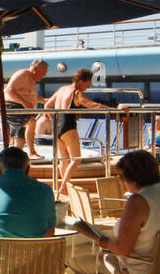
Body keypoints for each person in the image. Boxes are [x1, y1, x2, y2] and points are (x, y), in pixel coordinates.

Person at [42, 68, 113, 197]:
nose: (89, 87)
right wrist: (112, 109)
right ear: (81, 81)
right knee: (76, 159)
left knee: (64, 160)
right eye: (88, 83)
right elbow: (92, 105)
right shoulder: (77, 93)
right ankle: (63, 186)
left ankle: (64, 187)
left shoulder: (61, 89)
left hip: (57, 127)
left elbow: (47, 106)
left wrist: (53, 120)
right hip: (68, 127)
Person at [0, 58, 48, 150]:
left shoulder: (31, 79)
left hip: (24, 110)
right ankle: (32, 151)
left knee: (20, 144)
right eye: (43, 72)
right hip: (14, 107)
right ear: (35, 69)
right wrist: (24, 102)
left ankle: (16, 155)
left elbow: (29, 95)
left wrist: (45, 100)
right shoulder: (23, 74)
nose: (44, 75)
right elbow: (8, 90)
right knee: (31, 122)